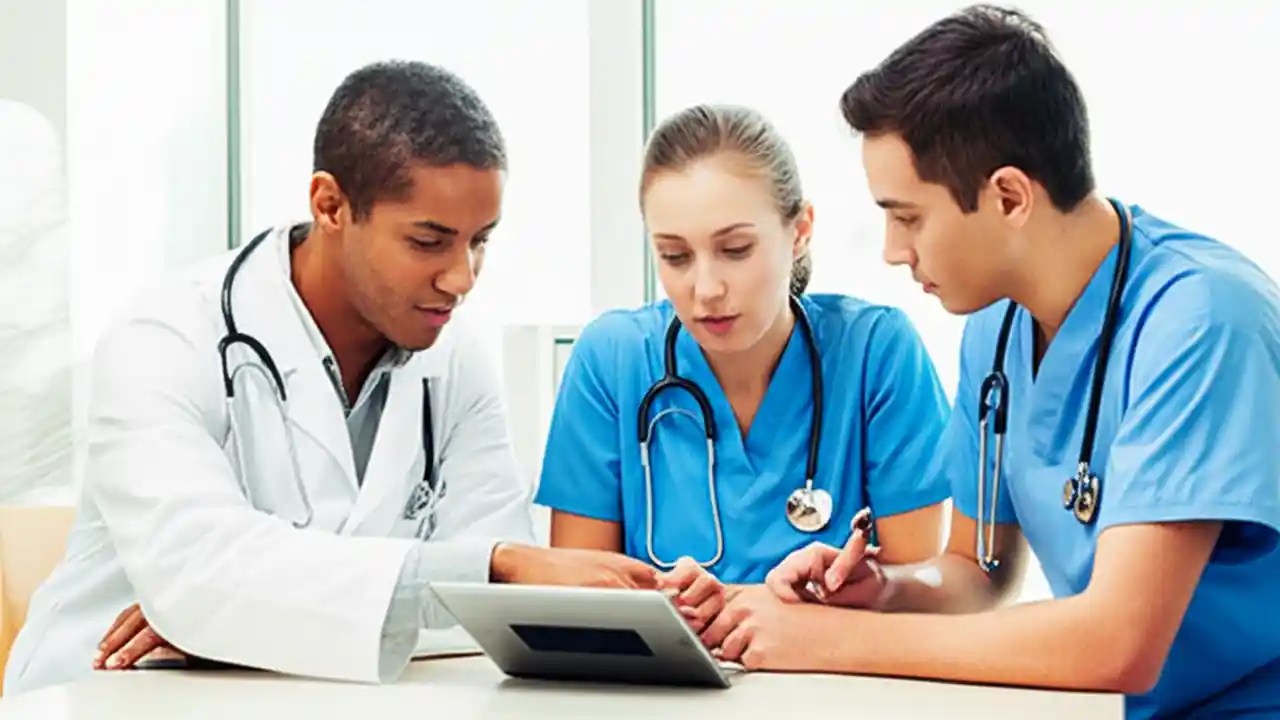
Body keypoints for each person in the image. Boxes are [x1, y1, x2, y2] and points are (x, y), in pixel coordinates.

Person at [4, 60, 657, 695]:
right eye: (428, 242)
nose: (461, 278)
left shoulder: (454, 362)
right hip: (100, 694)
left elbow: (497, 621)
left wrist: (254, 620)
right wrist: (487, 568)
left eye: (479, 241)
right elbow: (197, 574)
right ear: (330, 204)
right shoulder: (164, 339)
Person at [701, 6, 1280, 718]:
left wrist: (823, 638)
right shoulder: (997, 327)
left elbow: (1118, 644)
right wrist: (885, 593)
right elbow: (979, 572)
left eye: (907, 216)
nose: (892, 249)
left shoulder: (1201, 320)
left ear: (1008, 195)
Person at [535, 104, 952, 632]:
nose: (705, 289)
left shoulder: (876, 351)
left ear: (799, 230)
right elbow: (581, 611)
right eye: (675, 256)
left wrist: (742, 606)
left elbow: (917, 599)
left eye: (735, 250)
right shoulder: (610, 360)